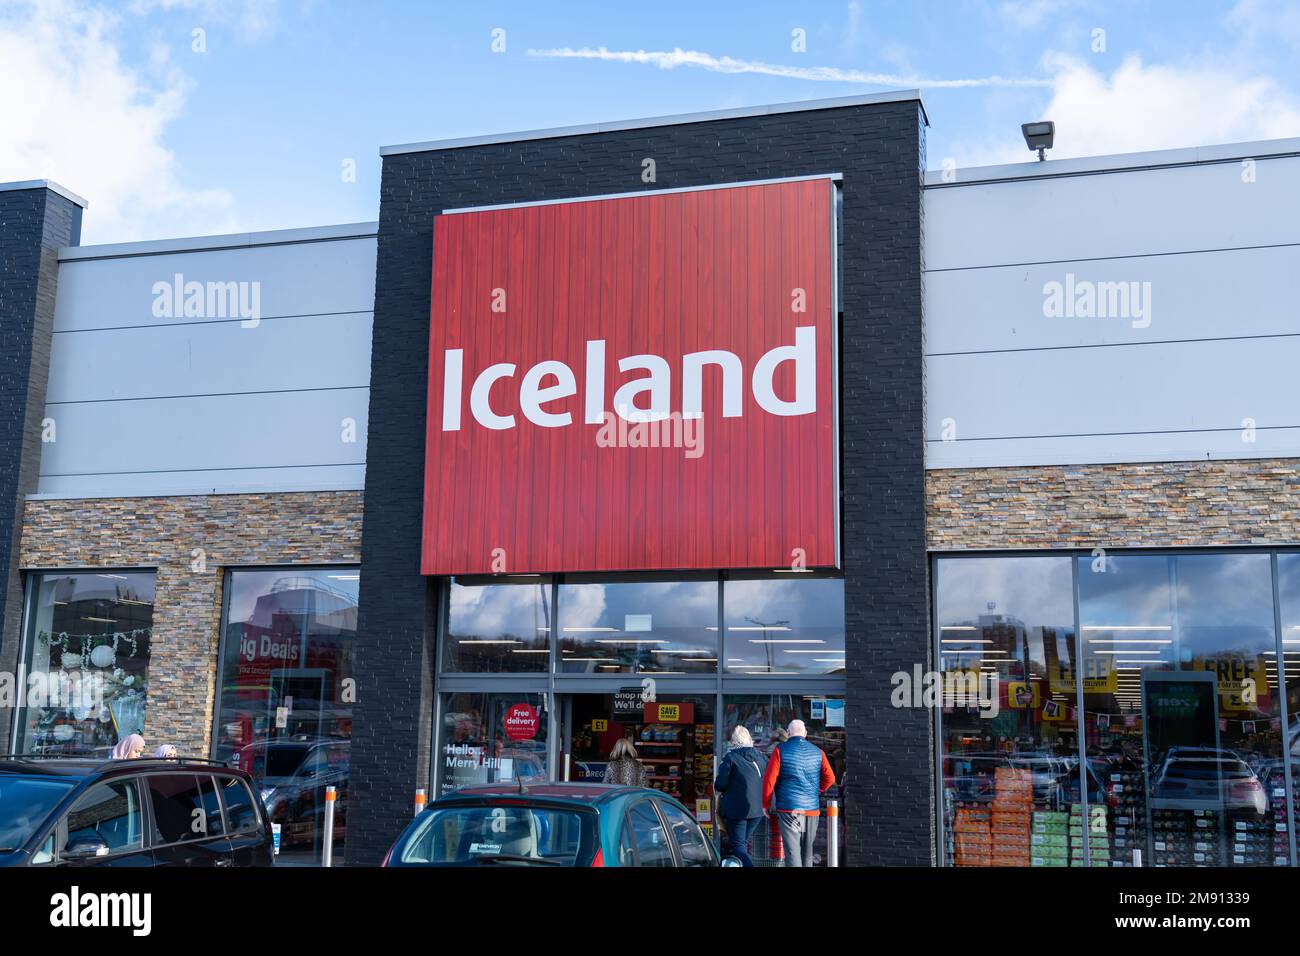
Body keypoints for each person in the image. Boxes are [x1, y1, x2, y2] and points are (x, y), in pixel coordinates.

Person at [761, 719, 835, 867]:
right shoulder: (818, 752)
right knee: (807, 853)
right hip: (811, 810)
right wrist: (816, 791)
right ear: (806, 734)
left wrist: (766, 803)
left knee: (792, 853)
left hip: (789, 810)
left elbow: (769, 780)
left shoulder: (780, 750)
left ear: (788, 733)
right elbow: (831, 778)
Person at [714, 725, 764, 867]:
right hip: (758, 810)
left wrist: (718, 787)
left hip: (738, 810)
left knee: (737, 846)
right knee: (740, 844)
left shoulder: (731, 757)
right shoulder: (760, 757)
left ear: (734, 741)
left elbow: (721, 784)